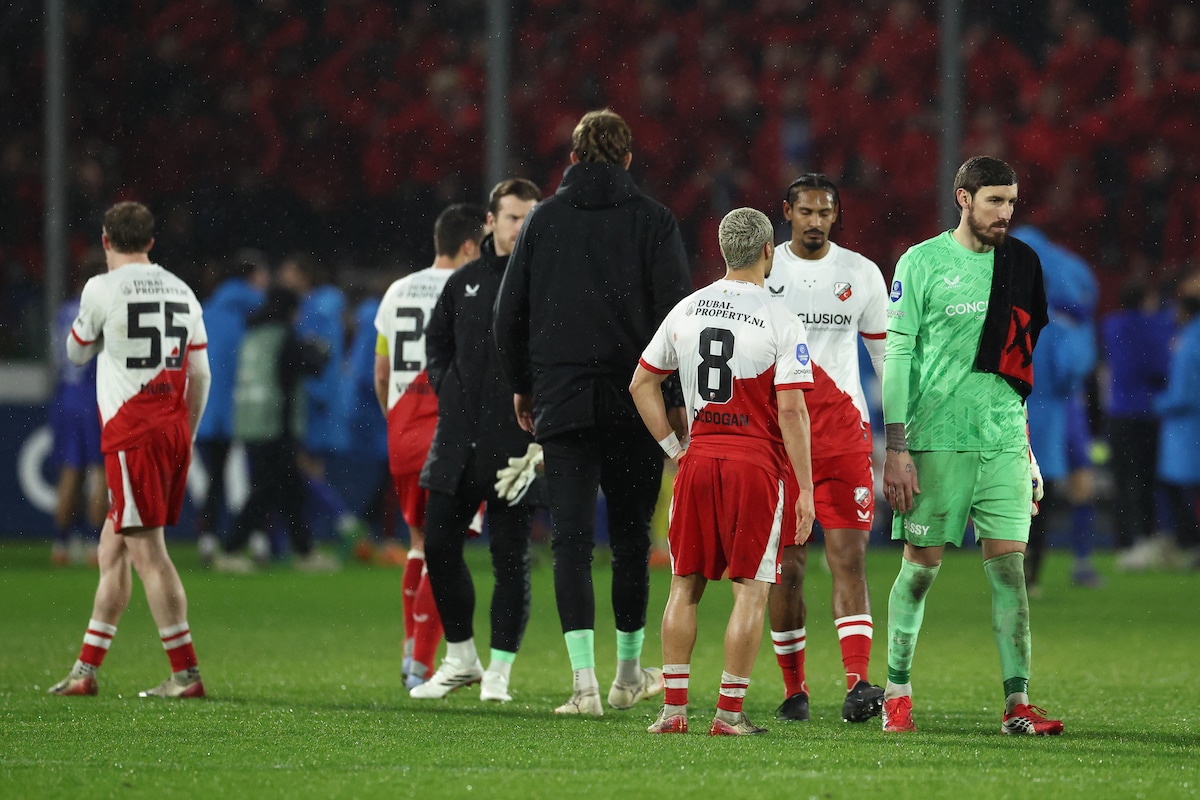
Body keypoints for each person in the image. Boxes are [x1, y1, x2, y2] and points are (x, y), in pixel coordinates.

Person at [494, 108, 692, 716]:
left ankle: (583, 688)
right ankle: (628, 675)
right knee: (632, 542)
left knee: (571, 543)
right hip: (637, 403)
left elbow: (510, 315)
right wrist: (676, 402)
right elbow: (677, 316)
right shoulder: (654, 221)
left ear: (574, 159)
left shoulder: (543, 220)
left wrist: (525, 387)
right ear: (629, 161)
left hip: (565, 400)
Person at [880, 156, 1062, 735]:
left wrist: (1027, 448)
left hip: (1004, 441)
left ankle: (1017, 704)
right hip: (935, 443)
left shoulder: (1022, 263)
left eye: (1011, 202)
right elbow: (898, 355)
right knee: (919, 572)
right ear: (963, 198)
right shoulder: (922, 262)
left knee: (1011, 572)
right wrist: (896, 446)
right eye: (994, 202)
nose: (1005, 214)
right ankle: (897, 691)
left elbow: (1020, 364)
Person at [631, 207, 817, 736]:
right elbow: (791, 410)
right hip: (754, 463)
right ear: (767, 252)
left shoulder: (686, 309)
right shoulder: (780, 316)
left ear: (722, 251)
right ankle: (728, 713)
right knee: (751, 590)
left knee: (683, 586)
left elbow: (641, 385)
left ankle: (672, 711)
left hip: (699, 456)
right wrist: (804, 488)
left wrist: (674, 448)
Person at [50, 201, 211, 698]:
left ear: (104, 241)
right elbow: (200, 374)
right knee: (112, 548)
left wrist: (98, 333)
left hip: (133, 431)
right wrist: (188, 431)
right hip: (172, 426)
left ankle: (185, 675)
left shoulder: (100, 287)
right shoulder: (182, 289)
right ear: (151, 242)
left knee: (148, 553)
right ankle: (85, 671)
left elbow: (76, 352)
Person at [409, 179, 543, 703]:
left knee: (510, 557)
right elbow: (436, 342)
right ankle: (462, 658)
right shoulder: (464, 281)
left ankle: (501, 672)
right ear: (489, 222)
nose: (521, 226)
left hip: (517, 443)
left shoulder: (545, 281)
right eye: (513, 217)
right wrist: (449, 389)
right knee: (438, 545)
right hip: (458, 438)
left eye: (530, 217)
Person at [764, 174, 889, 723]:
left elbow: (887, 360)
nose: (816, 221)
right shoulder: (765, 272)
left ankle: (859, 683)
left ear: (837, 215)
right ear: (787, 212)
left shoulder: (860, 274)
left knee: (850, 559)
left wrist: (902, 435)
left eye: (826, 213)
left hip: (843, 436)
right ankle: (795, 689)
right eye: (806, 212)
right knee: (787, 566)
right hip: (780, 437)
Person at [374, 203, 486, 687]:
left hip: (401, 431)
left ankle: (410, 651)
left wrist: (397, 421)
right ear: (467, 246)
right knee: (448, 548)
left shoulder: (397, 290)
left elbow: (381, 373)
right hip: (450, 434)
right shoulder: (470, 288)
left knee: (421, 543)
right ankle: (422, 661)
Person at [216, 286, 338, 571]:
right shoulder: (284, 337)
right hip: (274, 426)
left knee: (289, 489)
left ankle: (303, 551)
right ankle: (232, 549)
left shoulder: (253, 335)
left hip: (249, 422)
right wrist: (320, 350)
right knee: (269, 491)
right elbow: (309, 367)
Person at [1016, 224, 1104, 590]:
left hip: (1018, 410)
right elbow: (1076, 366)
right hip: (1062, 408)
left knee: (1015, 491)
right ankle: (1079, 560)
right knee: (1070, 480)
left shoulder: (1011, 314)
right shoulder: (1069, 286)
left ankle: (1016, 569)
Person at [194, 254, 267, 562]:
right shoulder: (261, 313)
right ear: (252, 278)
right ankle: (258, 540)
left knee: (215, 477)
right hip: (250, 405)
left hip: (211, 410)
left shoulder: (205, 312)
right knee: (259, 477)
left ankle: (208, 540)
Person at [1101, 280, 1175, 569]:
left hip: (1118, 413)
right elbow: (1159, 366)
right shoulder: (1153, 326)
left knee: (1122, 480)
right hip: (1146, 413)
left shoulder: (1111, 324)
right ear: (1146, 298)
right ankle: (1145, 539)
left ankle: (1124, 542)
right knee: (1144, 480)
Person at [48, 252, 107, 567]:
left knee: (70, 471)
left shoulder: (63, 311)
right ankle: (95, 545)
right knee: (100, 472)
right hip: (92, 396)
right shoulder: (96, 311)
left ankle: (61, 544)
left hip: (65, 395)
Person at [1152, 276, 1200, 567]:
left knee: (1177, 488)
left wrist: (1155, 403)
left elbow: (1183, 395)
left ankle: (1190, 546)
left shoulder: (1187, 342)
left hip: (1186, 428)